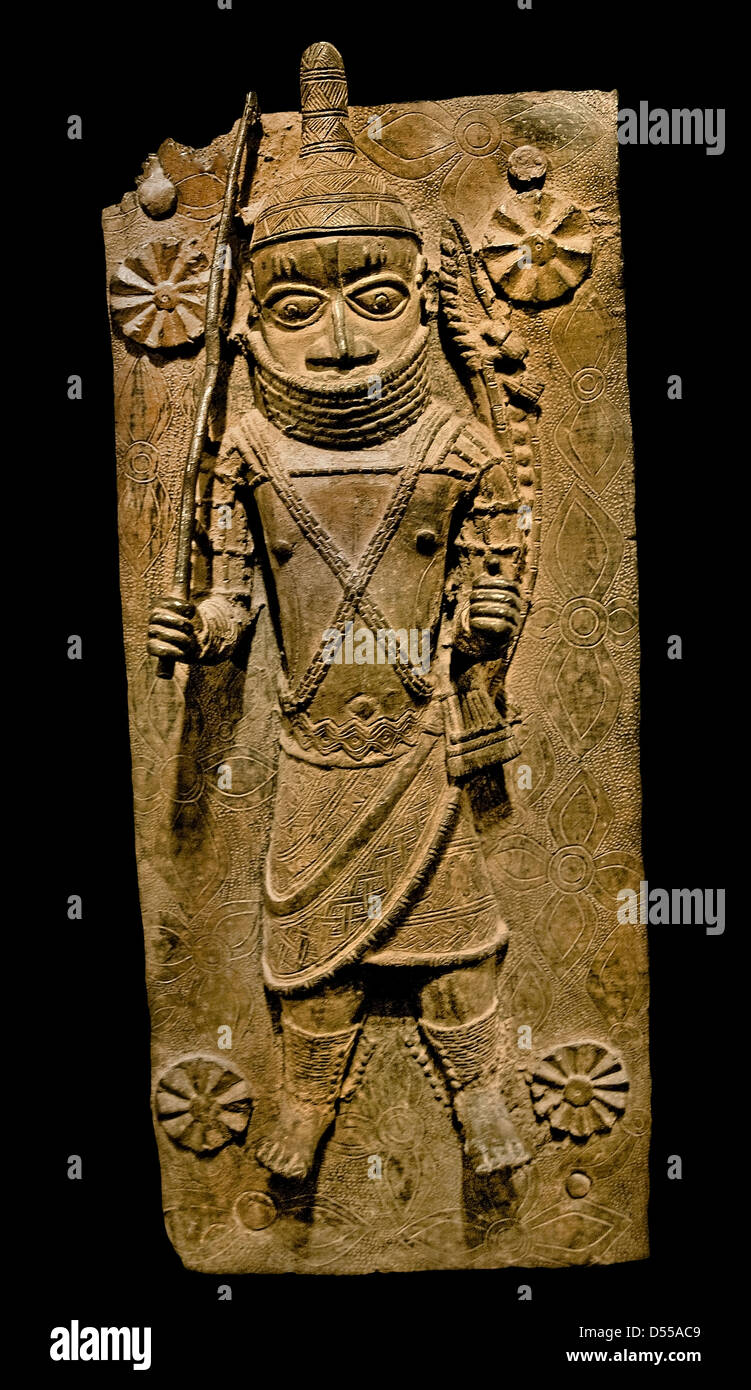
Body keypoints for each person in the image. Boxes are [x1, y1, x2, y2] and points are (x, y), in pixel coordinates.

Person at [148, 41, 530, 1181]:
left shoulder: (459, 447)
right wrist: (201, 630)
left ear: (420, 295)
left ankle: (482, 1104)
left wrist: (488, 615)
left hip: (415, 736)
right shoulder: (247, 453)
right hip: (317, 745)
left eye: (371, 298)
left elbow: (497, 563)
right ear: (254, 315)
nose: (342, 339)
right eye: (297, 302)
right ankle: (308, 1105)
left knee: (454, 936)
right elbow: (228, 607)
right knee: (315, 956)